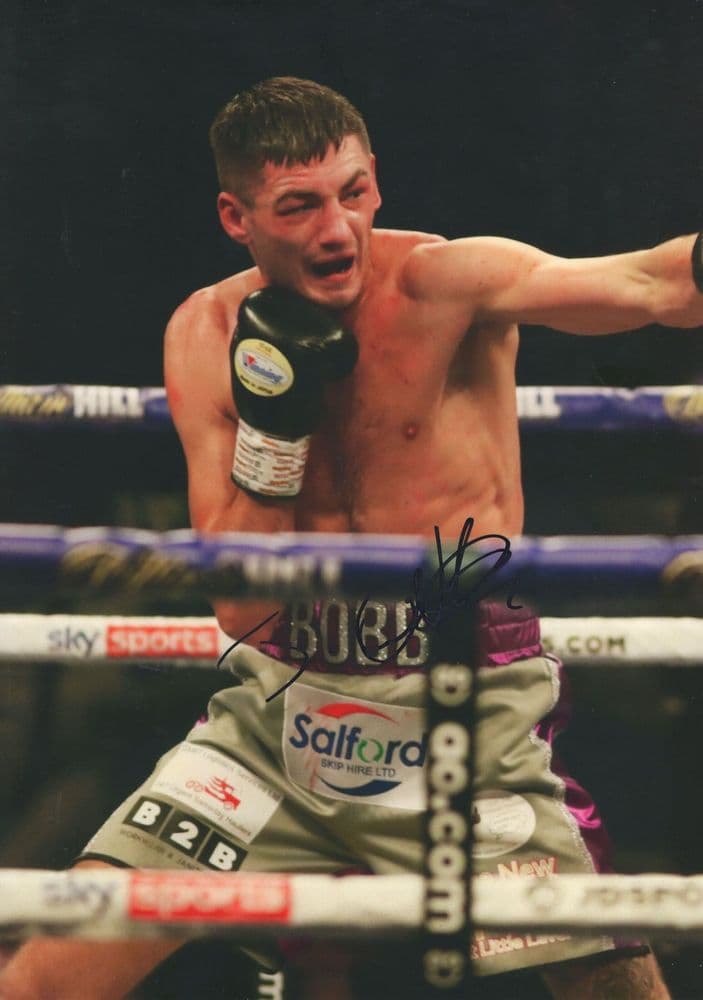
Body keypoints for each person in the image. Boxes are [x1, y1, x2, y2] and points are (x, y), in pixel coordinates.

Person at [3, 75, 702, 1000]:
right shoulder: (206, 333)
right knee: (44, 981)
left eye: (353, 193)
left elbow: (651, 282)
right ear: (237, 217)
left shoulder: (448, 284)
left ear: (375, 180)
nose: (337, 229)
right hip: (280, 719)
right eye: (298, 206)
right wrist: (274, 430)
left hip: (462, 711)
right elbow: (242, 607)